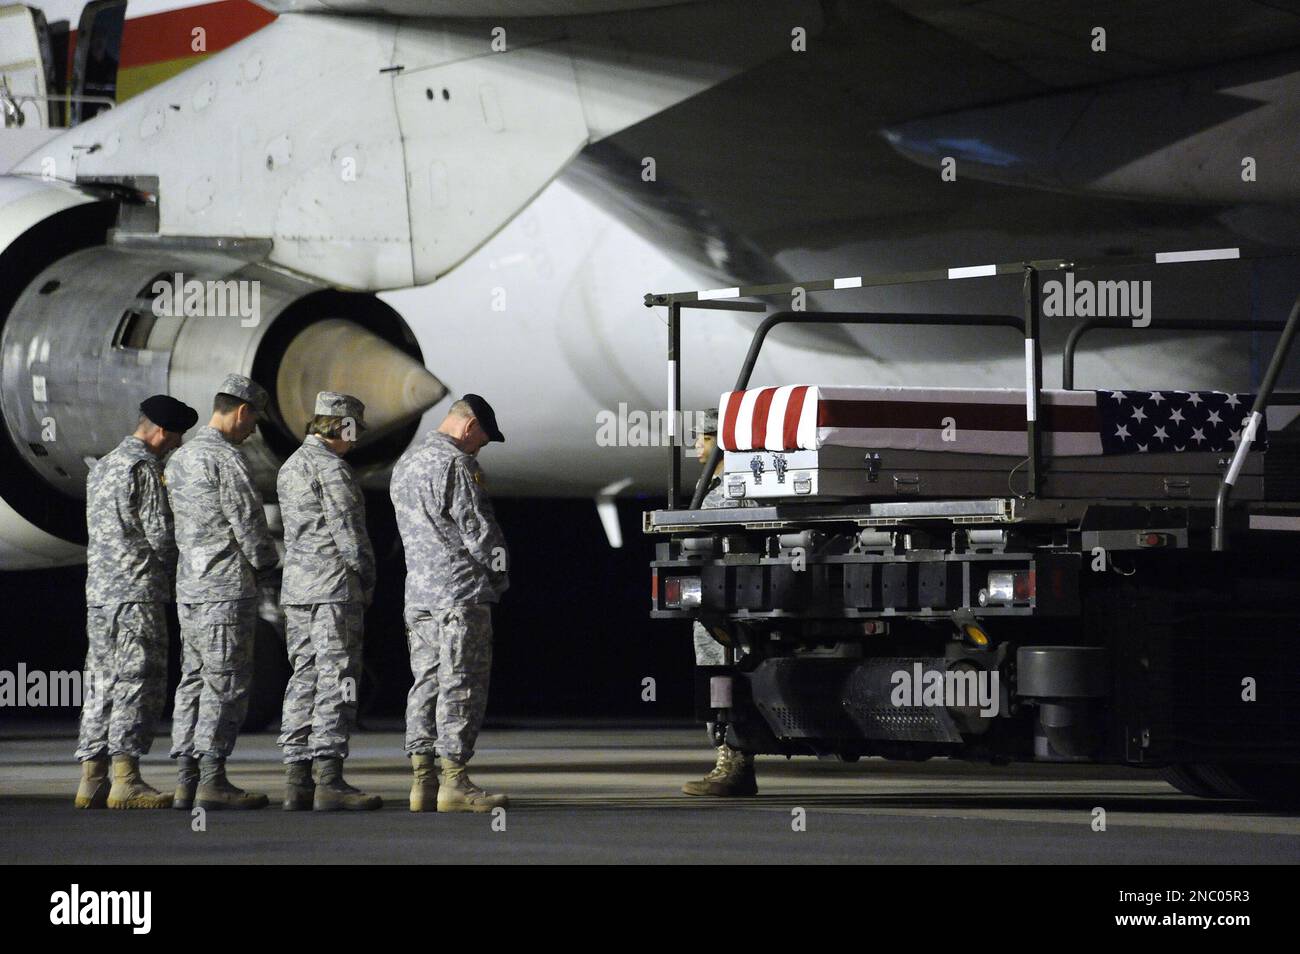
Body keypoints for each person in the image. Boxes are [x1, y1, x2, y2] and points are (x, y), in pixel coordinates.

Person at [75, 395, 198, 809]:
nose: (178, 445)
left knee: (100, 682)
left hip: (100, 596)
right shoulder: (143, 468)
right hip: (136, 594)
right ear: (161, 431)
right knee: (136, 680)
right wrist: (178, 576)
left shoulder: (103, 466)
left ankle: (92, 780)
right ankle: (126, 780)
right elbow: (161, 536)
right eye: (177, 436)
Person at [166, 373, 279, 810]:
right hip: (226, 589)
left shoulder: (179, 458)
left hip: (190, 589)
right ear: (241, 411)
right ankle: (213, 780)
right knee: (225, 682)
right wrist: (267, 564)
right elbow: (248, 522)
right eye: (254, 420)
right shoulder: (228, 460)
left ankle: (186, 780)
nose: (253, 430)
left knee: (193, 681)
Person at [391, 395, 509, 812]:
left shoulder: (406, 463)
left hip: (418, 596)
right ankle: (455, 782)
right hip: (460, 594)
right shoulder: (457, 465)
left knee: (425, 682)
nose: (479, 449)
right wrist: (500, 574)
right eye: (482, 440)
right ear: (469, 426)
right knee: (462, 682)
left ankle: (422, 782)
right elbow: (480, 533)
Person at [276, 391, 379, 811]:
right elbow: (349, 536)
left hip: (297, 591)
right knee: (337, 678)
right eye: (354, 431)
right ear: (342, 427)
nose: (356, 440)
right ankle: (330, 780)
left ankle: (296, 781)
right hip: (333, 590)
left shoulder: (290, 466)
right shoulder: (333, 469)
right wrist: (367, 578)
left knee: (303, 677)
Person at [682, 408, 759, 797]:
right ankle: (728, 758)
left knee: (727, 678)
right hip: (711, 599)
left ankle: (735, 762)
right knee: (714, 679)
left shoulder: (738, 485)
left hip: (730, 599)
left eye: (707, 437)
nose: (698, 444)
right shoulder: (711, 485)